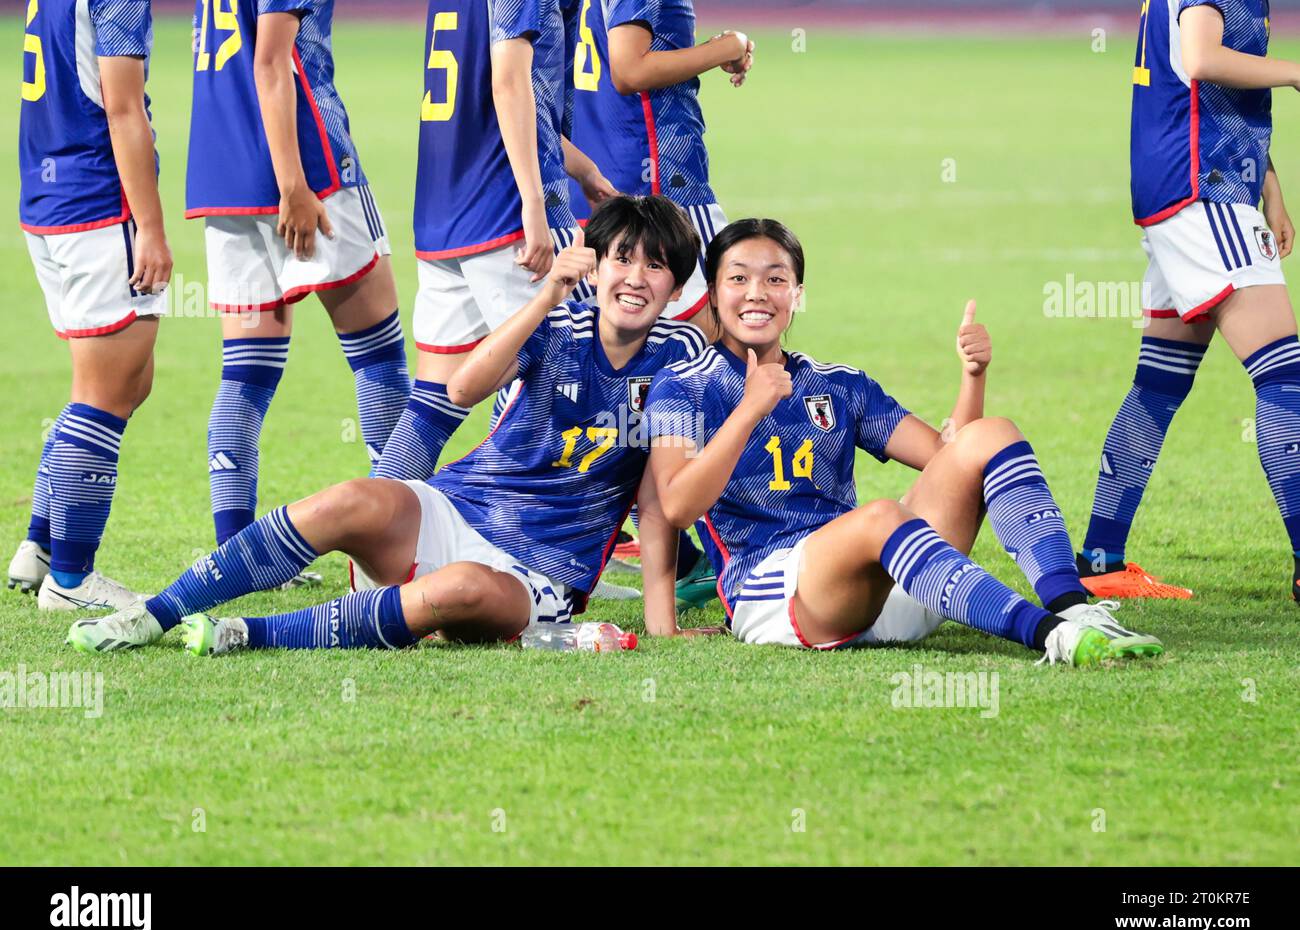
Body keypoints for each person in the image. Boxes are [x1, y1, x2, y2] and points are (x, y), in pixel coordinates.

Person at [66, 196, 707, 655]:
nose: (636, 278)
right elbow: (463, 386)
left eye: (656, 267)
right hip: (458, 509)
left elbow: (658, 504)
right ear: (592, 266)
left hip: (538, 574)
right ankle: (152, 616)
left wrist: (662, 627)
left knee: (456, 588)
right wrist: (542, 298)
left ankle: (246, 635)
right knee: (353, 497)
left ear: (676, 287)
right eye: (622, 259)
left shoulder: (680, 359)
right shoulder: (559, 322)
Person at [642, 219, 1164, 664]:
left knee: (993, 434)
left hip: (883, 582)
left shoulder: (837, 383)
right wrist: (751, 408)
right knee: (881, 516)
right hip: (781, 594)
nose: (757, 293)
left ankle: (1072, 605)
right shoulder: (684, 385)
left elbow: (953, 460)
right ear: (712, 292)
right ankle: (1052, 636)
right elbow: (680, 506)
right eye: (738, 278)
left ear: (798, 294)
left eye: (776, 279)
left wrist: (973, 376)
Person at [1078, 0, 1300, 601]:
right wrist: (1296, 71)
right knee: (1286, 376)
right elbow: (1203, 59)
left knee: (1159, 382)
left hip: (1191, 187)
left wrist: (1271, 188)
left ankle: (1101, 558)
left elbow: (1217, 94)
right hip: (1203, 191)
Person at [187, 0, 410, 562]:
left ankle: (232, 553)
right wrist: (293, 184)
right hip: (309, 171)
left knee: (245, 376)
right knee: (379, 356)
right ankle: (398, 529)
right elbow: (271, 61)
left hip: (227, 174)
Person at [371, 0, 615, 483]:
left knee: (432, 403)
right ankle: (513, 531)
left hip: (447, 215)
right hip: (505, 210)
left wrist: (584, 170)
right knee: (579, 380)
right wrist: (533, 200)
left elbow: (483, 101)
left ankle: (378, 536)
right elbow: (506, 84)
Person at [563, 0, 754, 606]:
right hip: (661, 195)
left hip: (602, 192)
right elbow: (629, 68)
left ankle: (650, 538)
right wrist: (726, 47)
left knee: (611, 369)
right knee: (727, 371)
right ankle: (737, 547)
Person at [8, 0, 172, 612]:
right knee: (105, 397)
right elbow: (123, 107)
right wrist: (150, 227)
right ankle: (72, 581)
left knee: (123, 383)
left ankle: (42, 546)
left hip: (47, 202)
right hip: (97, 205)